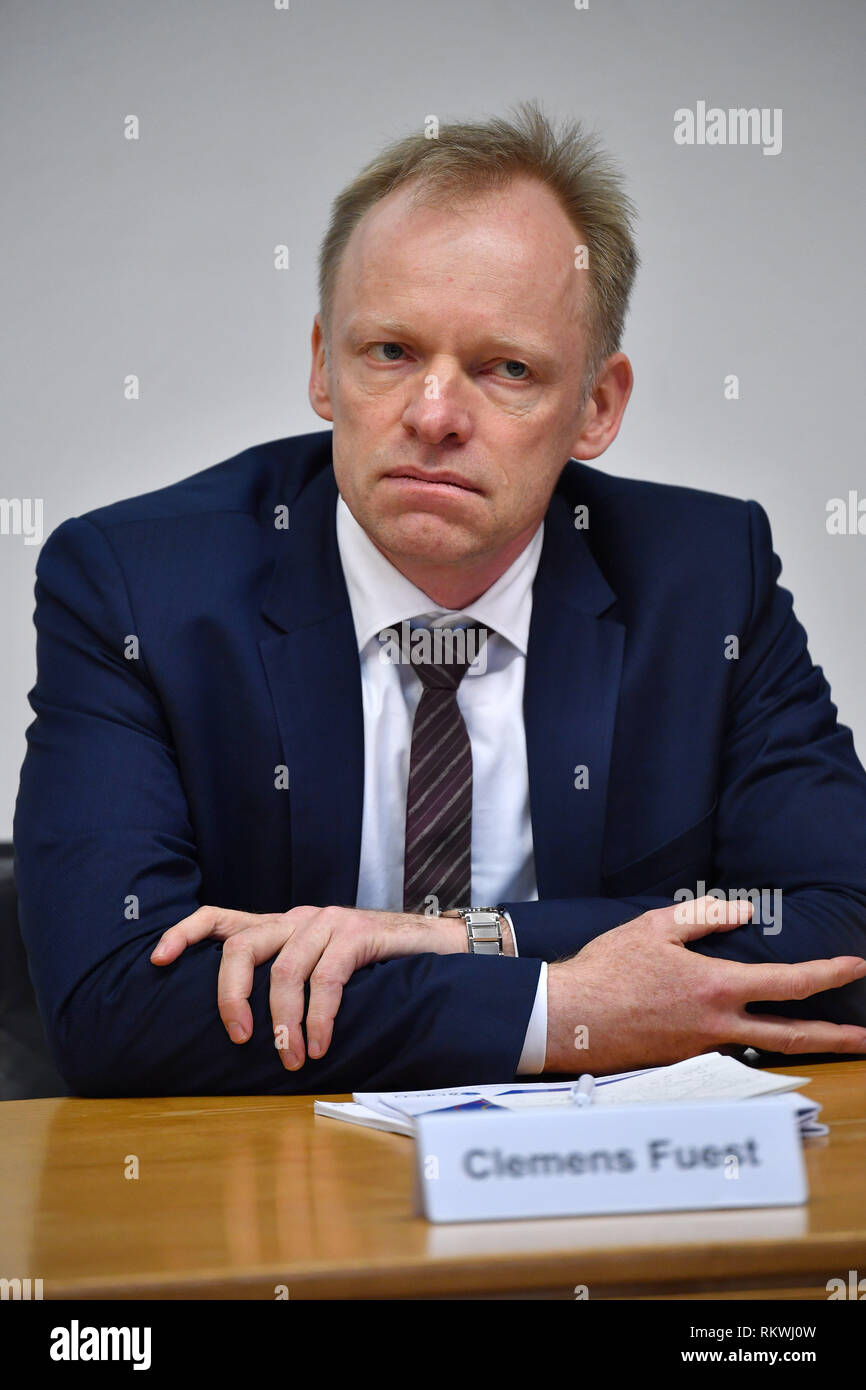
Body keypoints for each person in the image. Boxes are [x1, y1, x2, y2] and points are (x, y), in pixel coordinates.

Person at [13, 102, 866, 1096]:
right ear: (321, 364)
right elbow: (115, 1009)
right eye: (390, 353)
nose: (431, 415)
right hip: (267, 1202)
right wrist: (559, 1010)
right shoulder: (134, 589)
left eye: (506, 368)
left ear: (597, 405)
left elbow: (840, 928)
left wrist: (449, 937)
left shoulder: (705, 578)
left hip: (611, 1193)